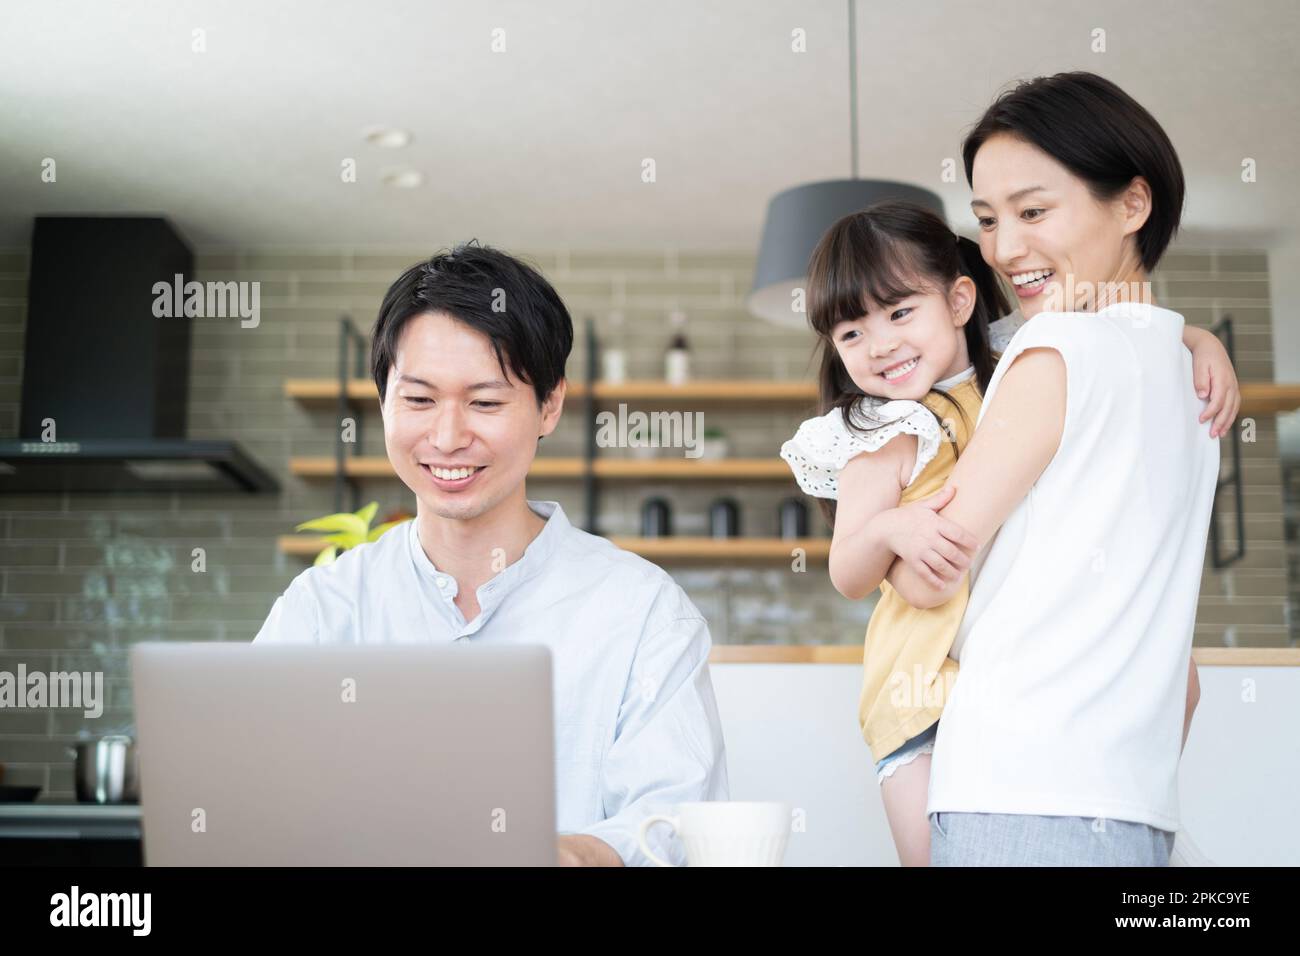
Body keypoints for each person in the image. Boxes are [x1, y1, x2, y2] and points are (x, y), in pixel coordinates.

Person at [780, 195, 1236, 866]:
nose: (880, 345)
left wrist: (1203, 343)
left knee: (1180, 676)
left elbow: (1129, 330)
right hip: (917, 700)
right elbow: (848, 571)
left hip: (1000, 679)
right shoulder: (880, 432)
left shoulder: (1017, 357)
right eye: (850, 334)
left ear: (960, 302)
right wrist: (892, 529)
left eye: (901, 312)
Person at [253, 241, 728, 866]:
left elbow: (677, 824)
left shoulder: (642, 612)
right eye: (419, 400)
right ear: (382, 401)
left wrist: (564, 856)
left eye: (485, 402)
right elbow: (256, 805)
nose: (447, 438)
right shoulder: (322, 609)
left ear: (549, 405)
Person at [884, 72, 1229, 865]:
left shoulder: (1058, 349)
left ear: (1133, 203)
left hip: (1019, 791)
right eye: (987, 220)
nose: (1005, 250)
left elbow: (929, 571)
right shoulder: (1196, 379)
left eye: (1034, 212)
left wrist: (883, 522)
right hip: (1135, 804)